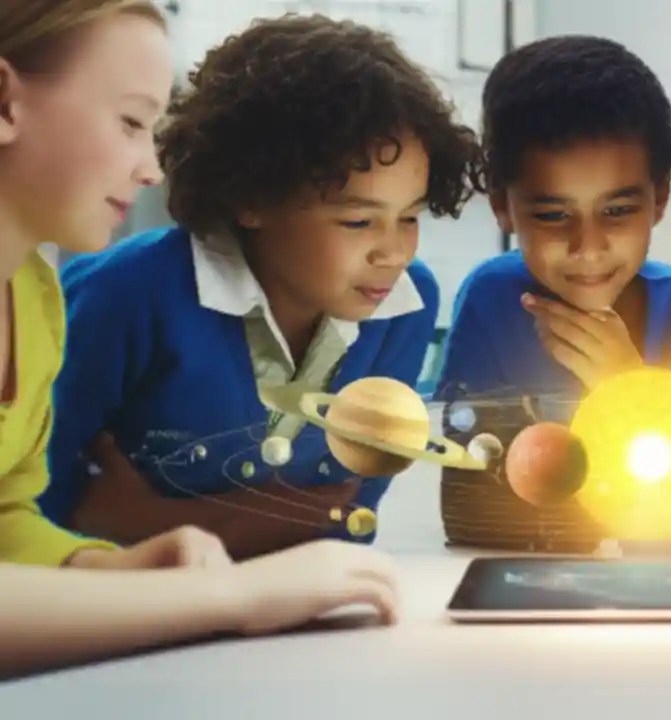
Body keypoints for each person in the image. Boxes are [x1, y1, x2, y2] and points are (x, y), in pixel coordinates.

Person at [0, 0, 400, 678]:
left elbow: (7, 519)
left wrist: (112, 568)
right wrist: (227, 597)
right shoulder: (117, 289)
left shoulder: (33, 299)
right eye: (131, 122)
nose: (151, 169)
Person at [39, 13, 480, 560]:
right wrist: (277, 516)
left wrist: (147, 518)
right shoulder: (122, 296)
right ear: (252, 198)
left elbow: (346, 521)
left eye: (409, 217)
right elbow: (36, 508)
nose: (394, 253)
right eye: (358, 221)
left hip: (288, 604)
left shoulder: (405, 308)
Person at [433, 36, 671, 551]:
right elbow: (471, 507)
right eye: (553, 215)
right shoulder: (492, 301)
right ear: (502, 205)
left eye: (617, 211)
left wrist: (627, 388)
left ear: (659, 196)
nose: (588, 248)